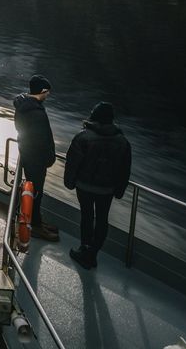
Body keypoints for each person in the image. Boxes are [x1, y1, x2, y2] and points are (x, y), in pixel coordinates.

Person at [63, 102, 133, 269]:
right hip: (107, 189)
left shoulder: (83, 137)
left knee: (87, 217)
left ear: (93, 116)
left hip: (84, 186)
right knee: (102, 220)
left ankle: (84, 249)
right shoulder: (123, 142)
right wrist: (119, 190)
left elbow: (73, 162)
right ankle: (92, 254)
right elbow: (125, 169)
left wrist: (69, 182)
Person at [13, 74, 60, 241]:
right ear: (43, 91)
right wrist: (49, 158)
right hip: (36, 159)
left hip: (28, 154)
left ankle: (37, 221)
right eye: (47, 92)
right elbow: (42, 139)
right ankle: (35, 226)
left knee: (34, 191)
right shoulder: (36, 112)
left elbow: (21, 129)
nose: (48, 95)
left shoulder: (24, 106)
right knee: (37, 192)